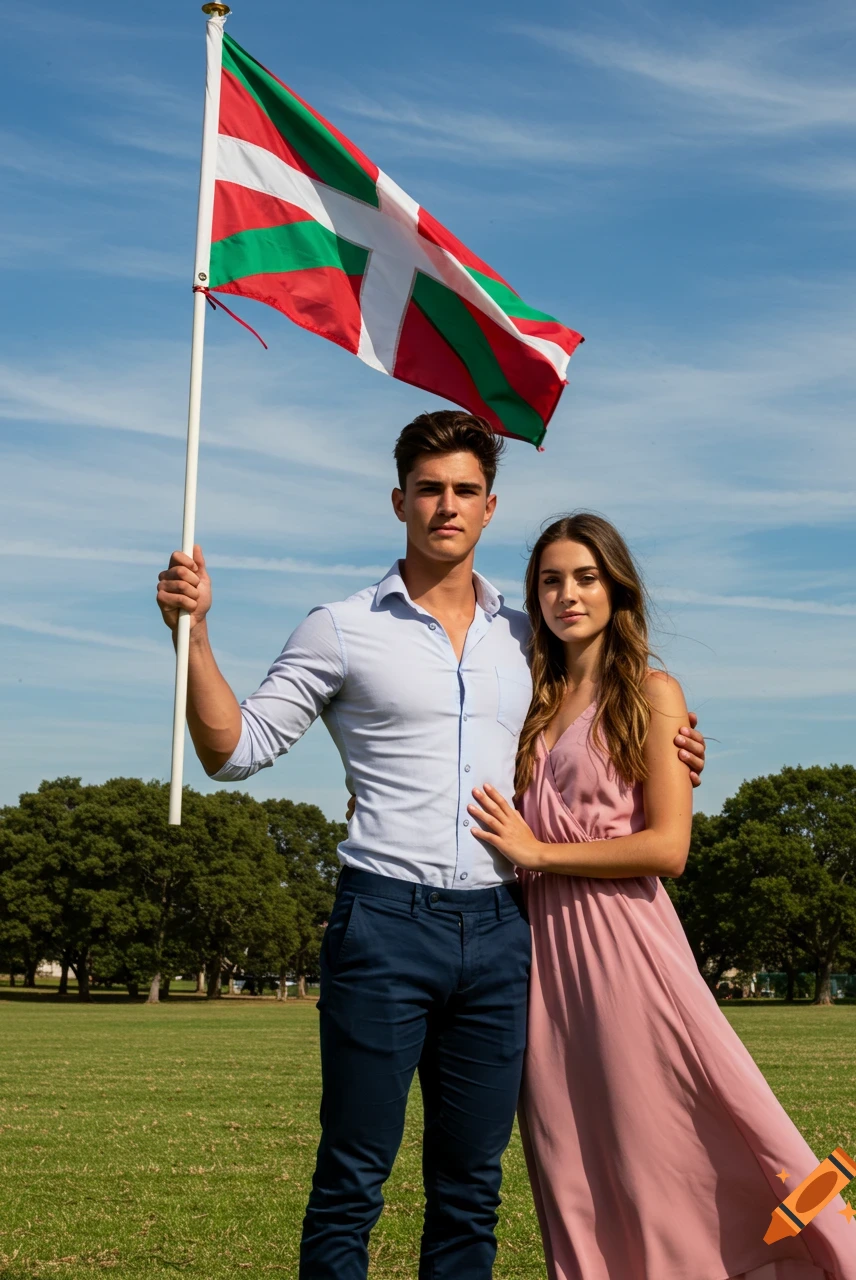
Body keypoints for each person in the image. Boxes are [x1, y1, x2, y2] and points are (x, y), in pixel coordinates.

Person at [155, 413, 706, 1280]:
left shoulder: (531, 639)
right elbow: (233, 750)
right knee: (352, 1179)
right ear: (399, 501)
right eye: (429, 490)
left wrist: (675, 750)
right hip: (383, 921)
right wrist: (195, 638)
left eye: (464, 491)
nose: (446, 506)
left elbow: (604, 724)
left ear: (490, 507)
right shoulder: (339, 628)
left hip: (501, 932)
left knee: (470, 1188)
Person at [467, 513, 856, 1280]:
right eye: (550, 581)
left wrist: (537, 851)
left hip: (630, 954)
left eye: (585, 577)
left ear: (617, 588)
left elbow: (670, 848)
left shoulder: (654, 695)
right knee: (577, 1164)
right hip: (543, 969)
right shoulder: (528, 701)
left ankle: (818, 1263)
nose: (567, 595)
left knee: (682, 1139)